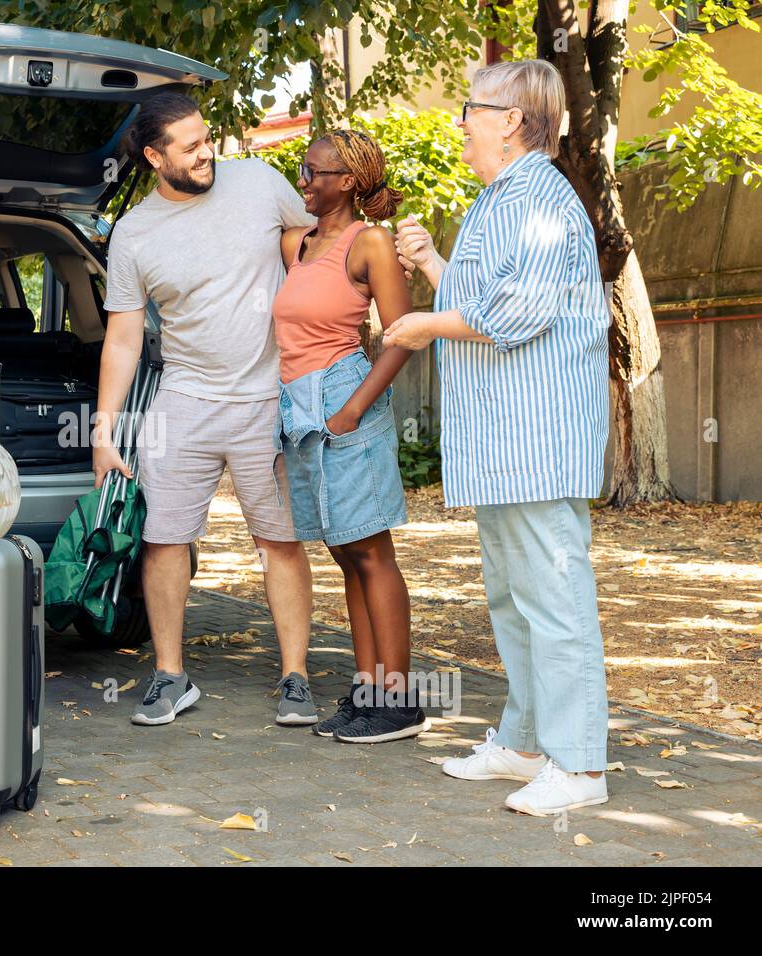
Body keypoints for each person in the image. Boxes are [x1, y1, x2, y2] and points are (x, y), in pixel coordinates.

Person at [386, 59, 610, 815]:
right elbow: (482, 297)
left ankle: (580, 768)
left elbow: (517, 312)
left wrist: (422, 326)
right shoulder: (500, 198)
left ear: (510, 121)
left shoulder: (541, 197)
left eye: (470, 108)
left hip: (536, 441)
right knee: (514, 602)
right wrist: (429, 264)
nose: (461, 122)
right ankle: (523, 744)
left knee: (555, 600)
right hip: (498, 443)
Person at [94, 92, 319, 728]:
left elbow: (309, 263)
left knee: (278, 538)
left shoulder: (258, 182)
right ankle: (170, 676)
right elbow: (124, 337)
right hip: (184, 400)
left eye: (206, 138)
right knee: (164, 538)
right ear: (152, 156)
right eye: (189, 147)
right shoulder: (134, 234)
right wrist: (104, 430)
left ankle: (295, 677)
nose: (205, 153)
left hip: (267, 397)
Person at [272, 130, 425, 743]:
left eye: (314, 172)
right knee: (343, 552)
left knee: (370, 550)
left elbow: (406, 333)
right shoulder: (297, 244)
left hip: (343, 401)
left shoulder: (371, 243)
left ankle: (399, 701)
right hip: (299, 406)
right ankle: (368, 692)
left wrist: (353, 409)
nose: (304, 181)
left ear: (350, 181)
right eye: (302, 170)